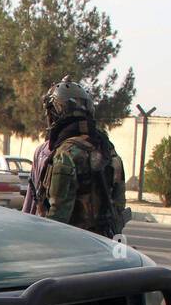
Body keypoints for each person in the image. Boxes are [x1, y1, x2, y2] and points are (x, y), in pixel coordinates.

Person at [23, 77, 126, 238]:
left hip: (74, 246)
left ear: (56, 113)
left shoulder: (66, 154)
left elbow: (58, 217)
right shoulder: (109, 151)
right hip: (105, 243)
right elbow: (119, 205)